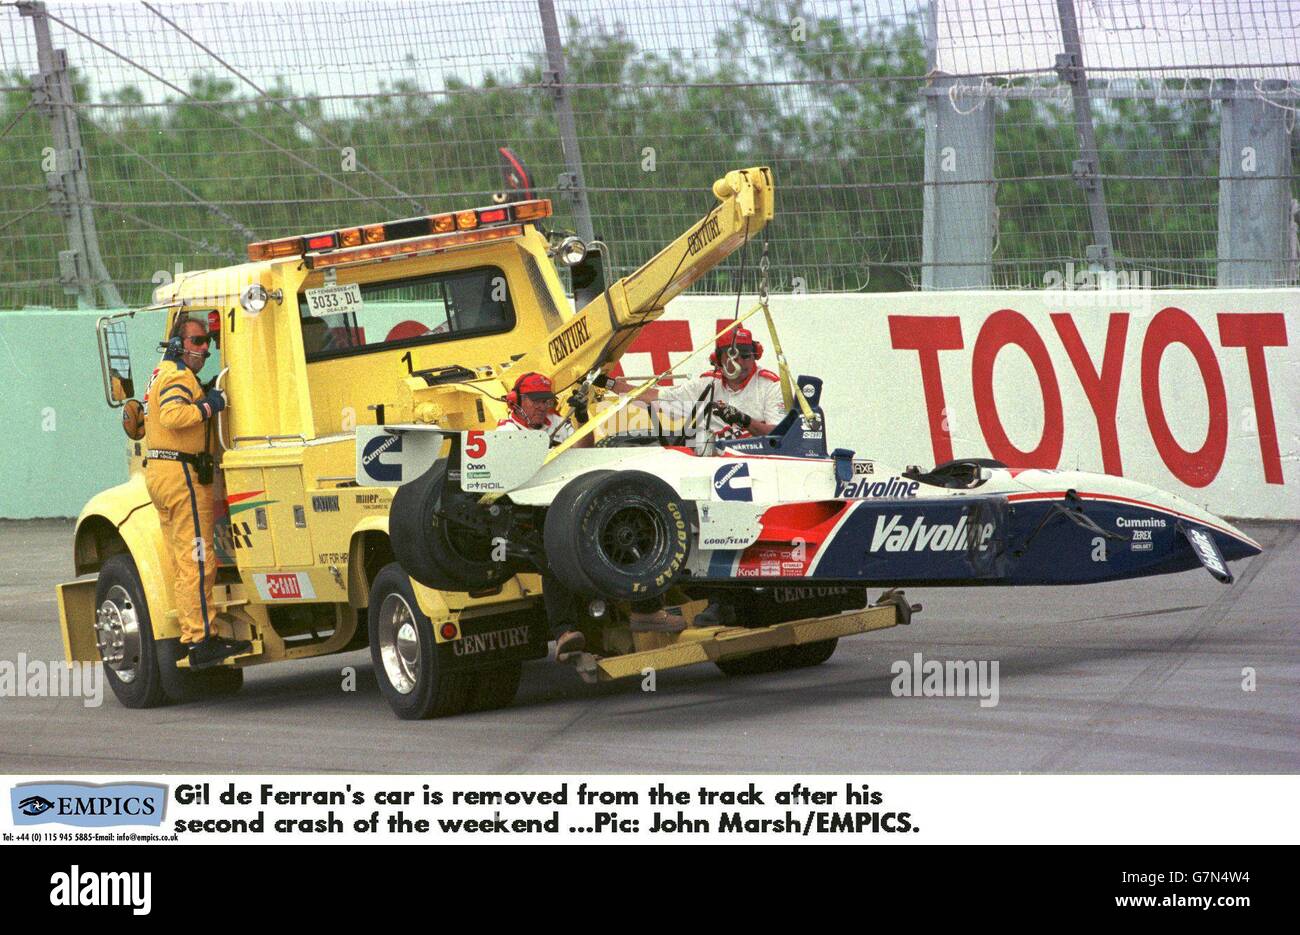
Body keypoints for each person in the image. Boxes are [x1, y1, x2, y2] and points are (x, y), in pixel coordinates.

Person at [143, 315, 251, 669]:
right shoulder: (176, 376)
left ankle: (191, 635)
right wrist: (210, 405)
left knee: (183, 562)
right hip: (181, 474)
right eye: (197, 341)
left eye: (207, 341)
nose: (205, 348)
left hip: (162, 472)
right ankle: (201, 639)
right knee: (199, 559)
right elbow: (174, 416)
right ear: (178, 344)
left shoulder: (163, 373)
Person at [611, 325, 786, 445]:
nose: (740, 362)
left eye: (746, 356)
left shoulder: (770, 385)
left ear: (756, 356)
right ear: (718, 359)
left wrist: (743, 420)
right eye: (733, 357)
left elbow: (778, 435)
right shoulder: (706, 383)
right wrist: (609, 383)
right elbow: (653, 396)